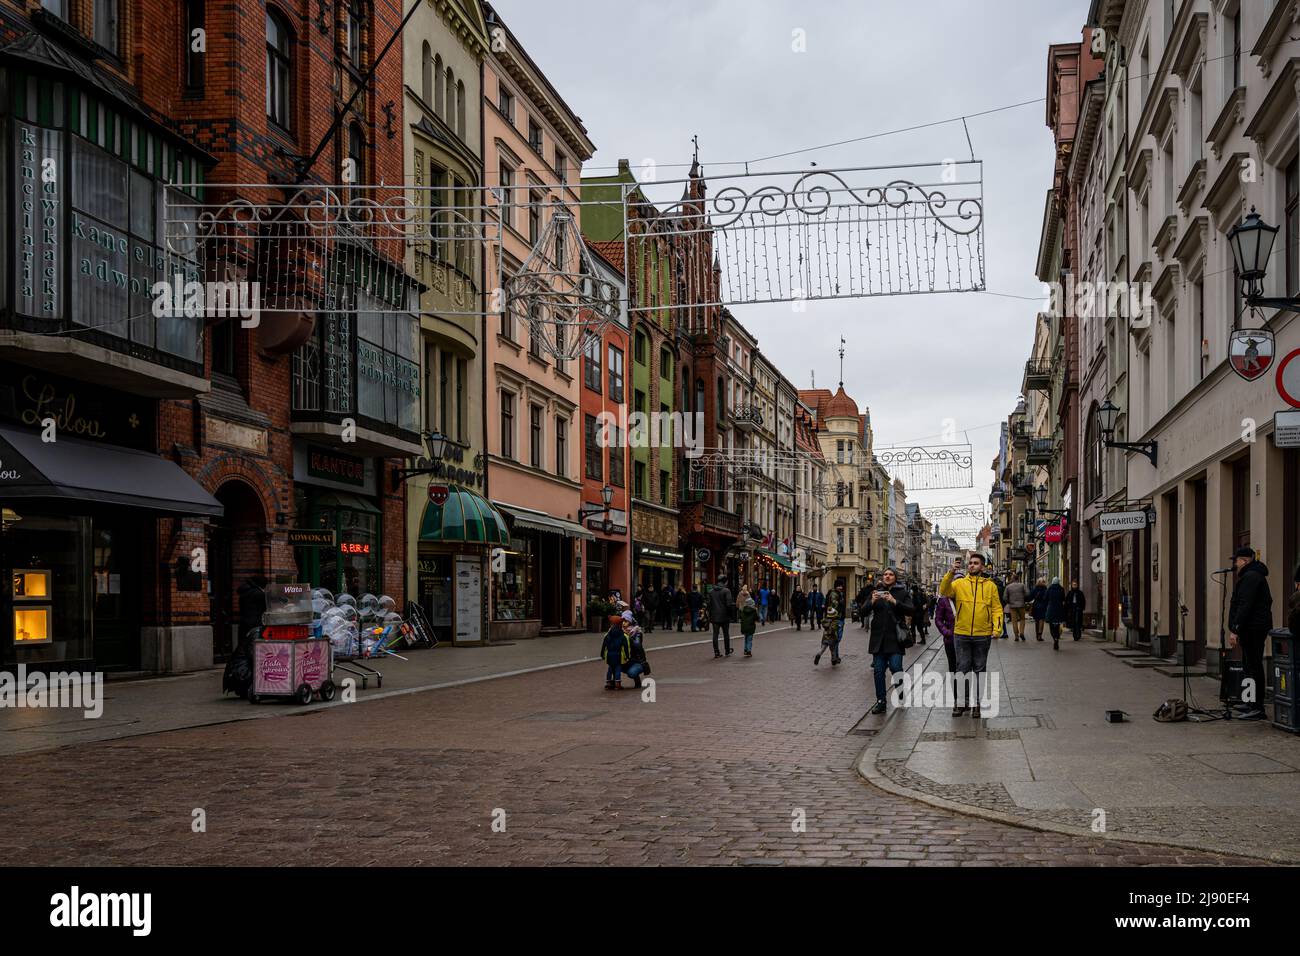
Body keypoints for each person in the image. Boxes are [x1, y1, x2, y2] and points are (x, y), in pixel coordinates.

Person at [940, 553, 1004, 718]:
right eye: (970, 563)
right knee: (962, 669)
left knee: (979, 669)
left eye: (975, 563)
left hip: (982, 634)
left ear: (982, 567)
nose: (972, 565)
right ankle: (961, 703)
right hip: (961, 633)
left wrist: (996, 628)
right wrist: (950, 573)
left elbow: (997, 608)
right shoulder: (959, 583)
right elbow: (944, 591)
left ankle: (977, 704)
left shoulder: (990, 586)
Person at [1228, 547, 1273, 720]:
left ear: (1245, 561)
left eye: (1236, 560)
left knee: (1254, 666)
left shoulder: (1252, 577)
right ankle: (1250, 701)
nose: (1235, 564)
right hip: (1251, 628)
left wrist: (1235, 629)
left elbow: (1245, 605)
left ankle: (1257, 707)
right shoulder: (1250, 575)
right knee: (1248, 665)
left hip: (1253, 628)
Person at [867, 568, 913, 714]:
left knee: (895, 667)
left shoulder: (902, 593)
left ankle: (900, 692)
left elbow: (911, 610)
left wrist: (894, 601)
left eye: (890, 574)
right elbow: (863, 611)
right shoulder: (876, 592)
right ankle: (881, 701)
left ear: (895, 577)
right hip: (878, 639)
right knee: (879, 671)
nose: (887, 576)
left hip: (895, 639)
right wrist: (871, 601)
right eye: (885, 574)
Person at [934, 590, 962, 711]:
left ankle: (966, 698)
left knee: (966, 668)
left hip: (966, 638)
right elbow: (938, 619)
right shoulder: (944, 601)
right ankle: (957, 698)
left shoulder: (966, 598)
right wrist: (946, 632)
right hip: (950, 640)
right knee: (953, 668)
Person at [601, 611, 633, 689]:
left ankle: (608, 682)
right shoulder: (623, 635)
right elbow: (626, 647)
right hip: (618, 656)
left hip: (609, 655)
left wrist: (602, 654)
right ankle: (617, 684)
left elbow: (604, 645)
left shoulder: (608, 635)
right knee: (617, 669)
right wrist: (627, 656)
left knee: (610, 669)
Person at [707, 578, 734, 658]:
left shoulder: (711, 592)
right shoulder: (726, 591)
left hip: (714, 616)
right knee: (726, 634)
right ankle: (727, 650)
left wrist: (710, 614)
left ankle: (716, 652)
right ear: (725, 582)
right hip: (724, 616)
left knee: (715, 634)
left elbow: (709, 604)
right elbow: (729, 604)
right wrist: (730, 615)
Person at [625, 616, 652, 688]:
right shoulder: (621, 634)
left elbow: (638, 648)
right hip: (624, 660)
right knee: (612, 665)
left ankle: (637, 679)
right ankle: (613, 683)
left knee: (632, 672)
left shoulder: (636, 635)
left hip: (635, 662)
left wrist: (643, 663)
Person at [1004, 573, 1028, 641]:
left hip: (1012, 606)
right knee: (1022, 619)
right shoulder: (1022, 585)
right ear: (1018, 578)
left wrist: (1009, 602)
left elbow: (1005, 597)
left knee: (1014, 621)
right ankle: (1022, 632)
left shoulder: (1008, 587)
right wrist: (1024, 599)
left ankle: (1016, 636)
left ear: (1013, 579)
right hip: (1021, 605)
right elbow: (1027, 594)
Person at [1044, 577, 1066, 650]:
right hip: (1059, 609)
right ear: (1058, 582)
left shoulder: (1049, 589)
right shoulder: (1061, 589)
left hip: (1051, 609)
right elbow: (1063, 598)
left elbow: (1045, 598)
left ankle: (1055, 638)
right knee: (1057, 626)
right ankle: (1056, 637)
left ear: (1052, 582)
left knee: (1051, 626)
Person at [1029, 577, 1048, 642]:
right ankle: (1040, 634)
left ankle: (1037, 634)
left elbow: (1030, 597)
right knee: (1041, 620)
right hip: (1043, 606)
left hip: (1036, 606)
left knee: (1037, 621)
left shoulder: (1035, 589)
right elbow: (1047, 598)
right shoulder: (1045, 589)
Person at [740, 593, 758, 657]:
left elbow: (740, 617)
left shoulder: (743, 610)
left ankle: (745, 649)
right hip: (751, 627)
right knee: (749, 639)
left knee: (746, 638)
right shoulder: (753, 611)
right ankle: (748, 650)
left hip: (744, 627)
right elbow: (756, 618)